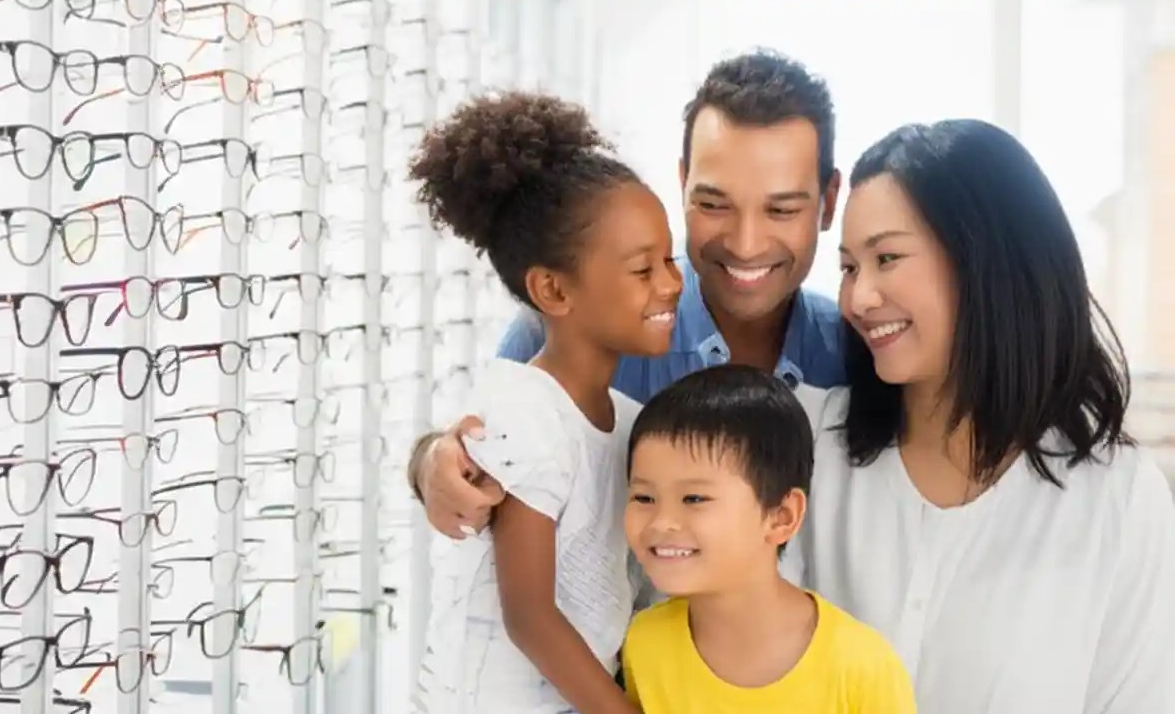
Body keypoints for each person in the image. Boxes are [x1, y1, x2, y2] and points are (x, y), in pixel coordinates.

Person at [785, 118, 1175, 713]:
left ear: (984, 261)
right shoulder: (810, 445)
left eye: (887, 257)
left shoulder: (1116, 496)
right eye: (847, 268)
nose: (858, 298)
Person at [406, 48, 847, 539]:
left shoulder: (858, 353)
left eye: (781, 211)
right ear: (682, 183)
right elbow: (477, 443)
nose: (746, 244)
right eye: (713, 204)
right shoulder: (574, 320)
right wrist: (431, 465)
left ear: (828, 204)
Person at [407, 90, 681, 713]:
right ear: (553, 289)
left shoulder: (631, 422)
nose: (670, 283)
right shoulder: (523, 410)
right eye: (643, 269)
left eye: (670, 259)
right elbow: (529, 615)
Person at [621, 364, 916, 712]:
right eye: (643, 498)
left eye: (694, 499)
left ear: (781, 516)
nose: (662, 522)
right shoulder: (645, 642)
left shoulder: (862, 669)